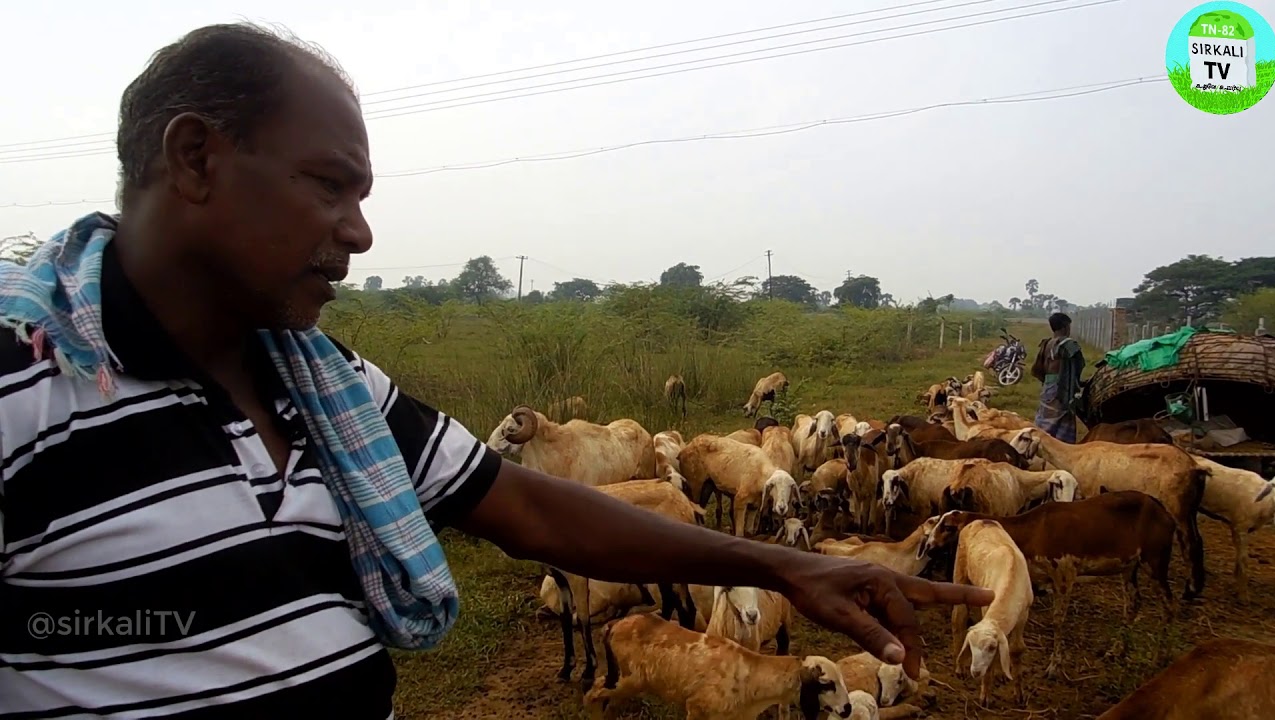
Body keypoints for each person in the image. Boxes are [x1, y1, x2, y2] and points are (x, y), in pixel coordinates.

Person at [0, 23, 991, 719]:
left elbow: (518, 505)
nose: (359, 230)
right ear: (196, 158)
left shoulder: (324, 383)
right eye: (328, 185)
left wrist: (783, 564)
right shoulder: (19, 384)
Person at [1031, 312, 1086, 442]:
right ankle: (1060, 447)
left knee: (1045, 420)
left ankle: (1041, 443)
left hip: (1048, 388)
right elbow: (1079, 364)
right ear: (1065, 327)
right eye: (1069, 326)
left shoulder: (1046, 343)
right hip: (1061, 389)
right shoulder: (1068, 345)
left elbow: (1039, 369)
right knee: (1063, 420)